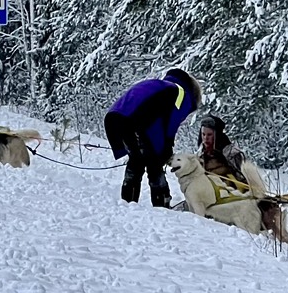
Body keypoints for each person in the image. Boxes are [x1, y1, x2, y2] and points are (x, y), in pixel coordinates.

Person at [104, 67, 200, 208]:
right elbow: (169, 124)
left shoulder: (161, 86)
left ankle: (128, 204)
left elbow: (151, 118)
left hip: (114, 118)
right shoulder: (182, 93)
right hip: (134, 122)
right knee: (155, 164)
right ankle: (162, 205)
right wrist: (166, 148)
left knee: (137, 161)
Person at [196, 114, 246, 180]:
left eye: (209, 134)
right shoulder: (200, 154)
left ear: (216, 135)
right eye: (203, 134)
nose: (206, 138)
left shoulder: (231, 153)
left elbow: (243, 178)